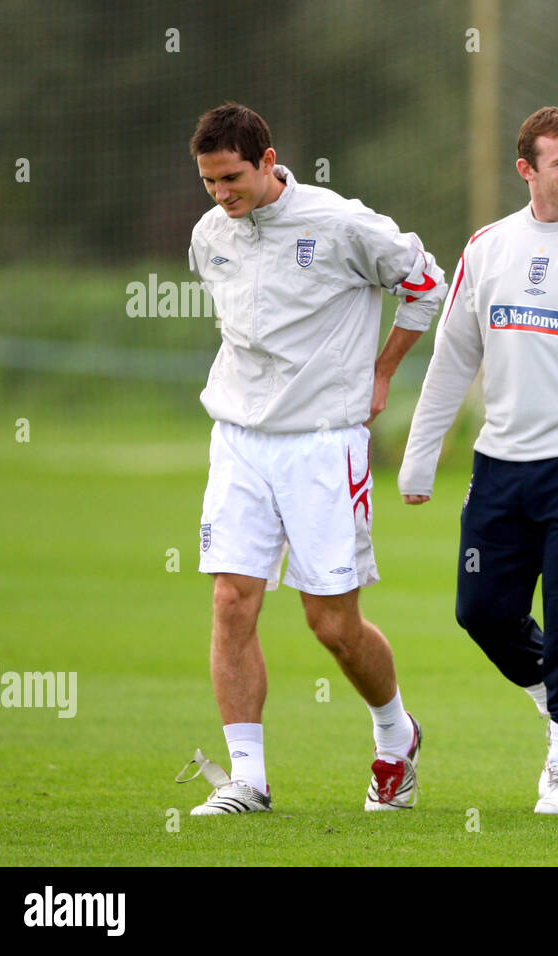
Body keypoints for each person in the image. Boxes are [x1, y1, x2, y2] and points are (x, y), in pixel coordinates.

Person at [179, 102, 447, 815]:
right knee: (231, 599)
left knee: (331, 624)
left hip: (325, 444)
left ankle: (396, 737)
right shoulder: (211, 235)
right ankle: (248, 779)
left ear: (268, 161)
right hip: (237, 437)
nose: (220, 196)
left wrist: (382, 371)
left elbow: (426, 285)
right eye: (208, 182)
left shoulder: (341, 224)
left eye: (231, 178)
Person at [398, 107, 558, 815]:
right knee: (481, 612)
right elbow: (454, 353)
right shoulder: (487, 246)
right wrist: (422, 458)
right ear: (527, 170)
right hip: (498, 466)